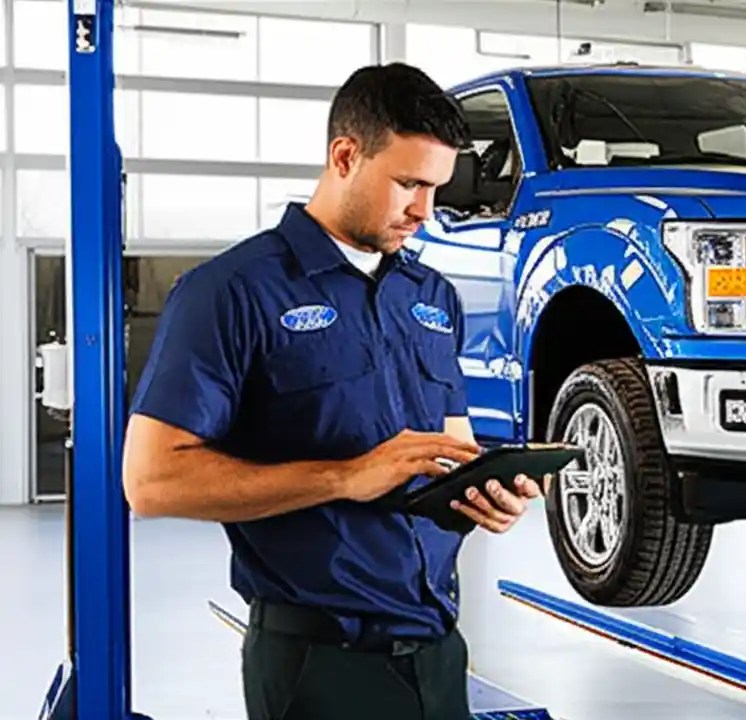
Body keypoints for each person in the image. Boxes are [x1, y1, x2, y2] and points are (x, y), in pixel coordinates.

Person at [121, 63, 544, 719]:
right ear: (344, 156)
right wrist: (345, 478)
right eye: (408, 183)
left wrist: (486, 492)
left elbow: (449, 447)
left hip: (438, 652)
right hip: (320, 662)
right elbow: (151, 481)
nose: (424, 211)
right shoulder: (232, 292)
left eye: (435, 187)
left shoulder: (431, 297)